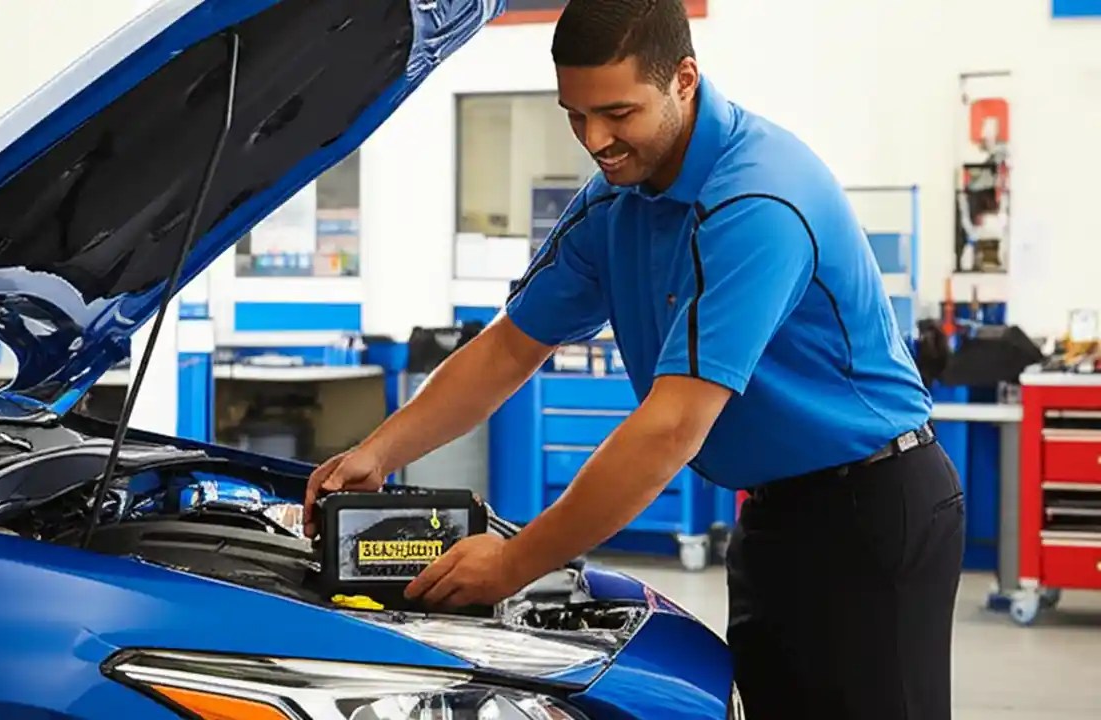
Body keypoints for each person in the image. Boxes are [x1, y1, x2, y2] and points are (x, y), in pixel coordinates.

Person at [303, 0, 965, 717]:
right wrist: (378, 451)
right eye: (575, 115)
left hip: (872, 507)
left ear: (684, 79)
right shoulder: (616, 202)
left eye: (618, 113)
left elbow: (671, 427)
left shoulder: (756, 201)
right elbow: (509, 347)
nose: (595, 139)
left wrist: (514, 563)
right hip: (778, 511)